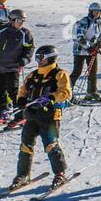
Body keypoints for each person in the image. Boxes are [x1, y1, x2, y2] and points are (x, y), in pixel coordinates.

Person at [10, 45, 72, 190]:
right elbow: (23, 91)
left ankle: (60, 174)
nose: (38, 60)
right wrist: (21, 100)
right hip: (32, 115)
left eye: (41, 57)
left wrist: (51, 98)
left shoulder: (59, 74)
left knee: (51, 144)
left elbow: (66, 92)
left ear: (51, 58)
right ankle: (23, 175)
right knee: (26, 144)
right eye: (37, 57)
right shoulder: (33, 75)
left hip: (50, 115)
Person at [0, 9, 33, 127]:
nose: (21, 23)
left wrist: (23, 60)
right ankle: (2, 114)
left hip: (13, 67)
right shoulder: (1, 30)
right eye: (19, 20)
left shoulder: (24, 33)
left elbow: (29, 49)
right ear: (12, 20)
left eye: (23, 21)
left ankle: (20, 116)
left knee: (14, 93)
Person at [70, 2, 101, 102]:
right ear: (90, 11)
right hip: (80, 51)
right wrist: (89, 47)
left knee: (93, 72)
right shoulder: (84, 21)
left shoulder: (98, 22)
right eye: (95, 11)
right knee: (77, 72)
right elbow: (79, 37)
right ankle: (67, 92)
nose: (97, 13)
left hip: (92, 51)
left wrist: (100, 42)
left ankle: (91, 92)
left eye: (99, 11)